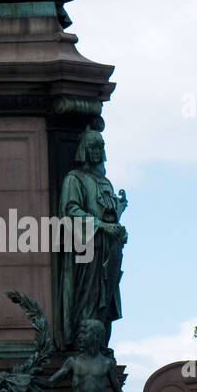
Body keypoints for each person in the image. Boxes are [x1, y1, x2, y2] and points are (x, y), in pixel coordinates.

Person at [58, 128, 127, 350]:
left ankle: (100, 343)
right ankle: (85, 344)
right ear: (84, 150)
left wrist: (118, 215)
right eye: (93, 147)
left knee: (106, 296)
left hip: (109, 248)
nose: (97, 152)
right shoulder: (74, 178)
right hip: (88, 246)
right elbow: (71, 210)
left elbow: (107, 210)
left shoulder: (104, 180)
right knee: (89, 296)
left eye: (100, 147)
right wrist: (102, 226)